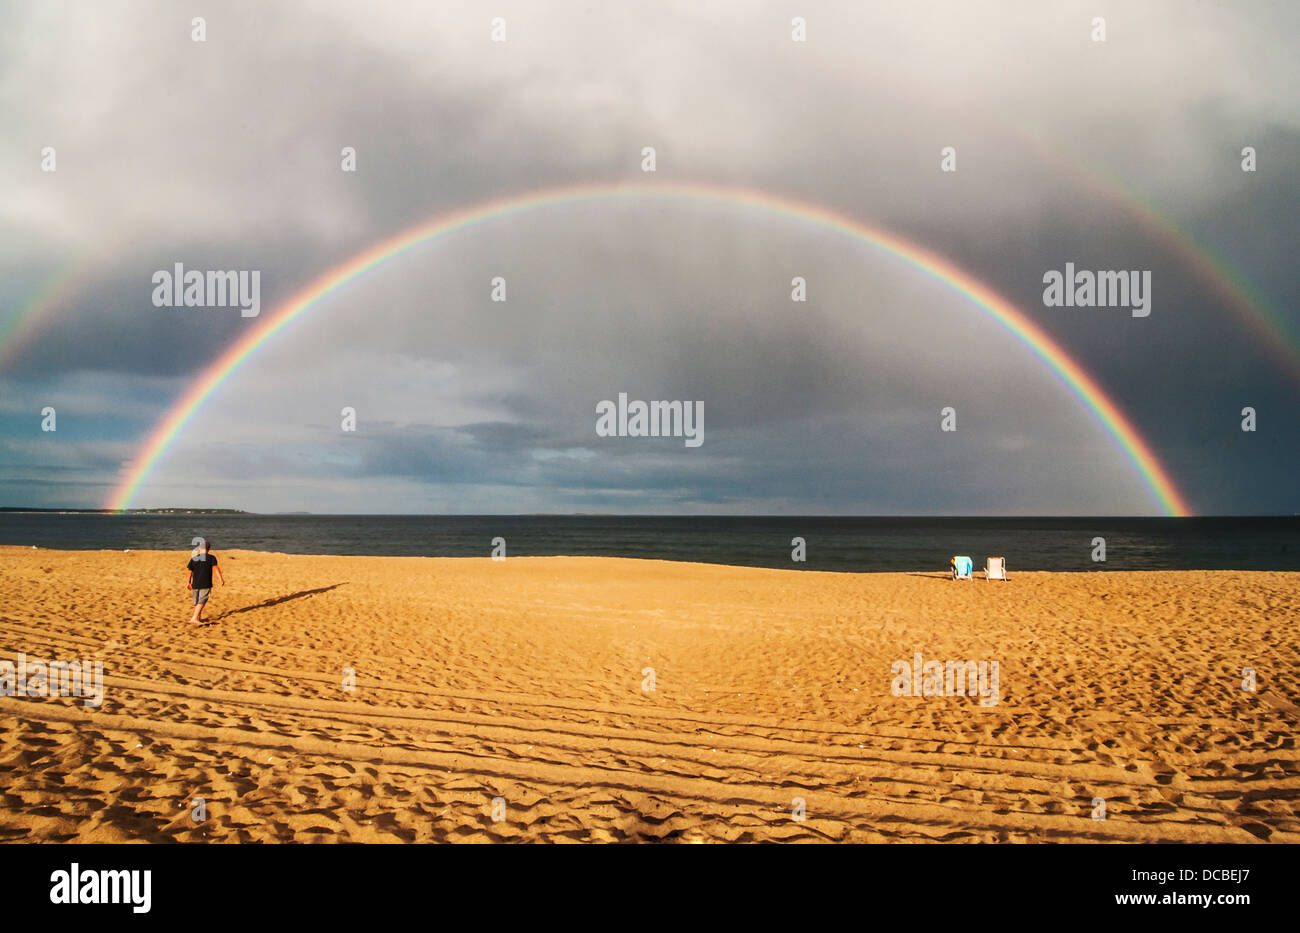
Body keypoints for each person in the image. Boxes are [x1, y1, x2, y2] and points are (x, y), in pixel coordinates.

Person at [186, 538, 225, 624]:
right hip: (205, 583)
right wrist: (221, 579)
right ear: (209, 549)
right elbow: (216, 569)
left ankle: (198, 618)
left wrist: (188, 582)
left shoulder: (194, 558)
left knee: (196, 602)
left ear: (199, 549)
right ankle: (195, 618)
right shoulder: (211, 558)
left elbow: (189, 572)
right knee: (202, 600)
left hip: (195, 583)